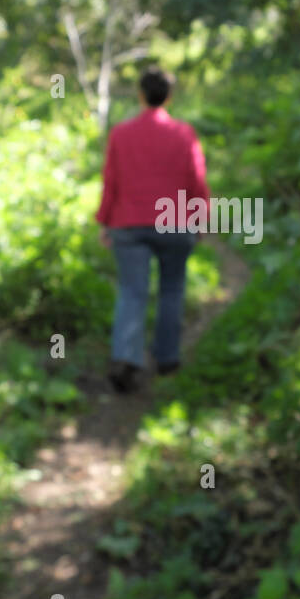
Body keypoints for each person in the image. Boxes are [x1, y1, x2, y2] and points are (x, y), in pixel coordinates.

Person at [96, 67, 209, 393]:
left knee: (132, 291)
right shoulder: (184, 134)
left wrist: (105, 221)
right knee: (172, 289)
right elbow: (196, 182)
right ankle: (167, 358)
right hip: (174, 222)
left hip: (128, 224)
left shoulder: (120, 134)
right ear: (170, 96)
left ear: (140, 94)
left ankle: (126, 359)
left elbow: (111, 182)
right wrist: (199, 220)